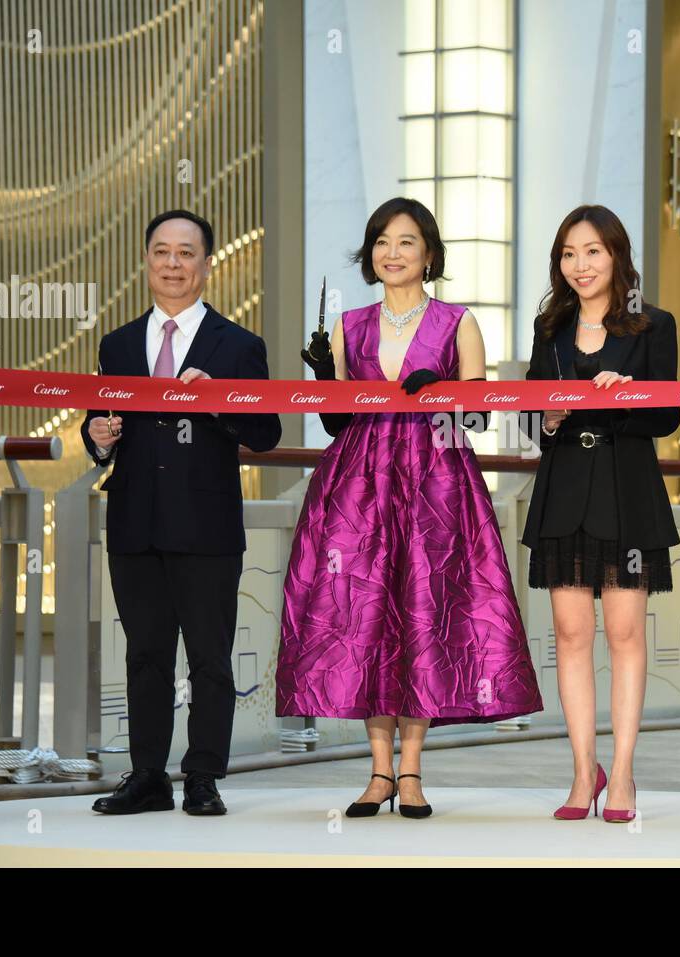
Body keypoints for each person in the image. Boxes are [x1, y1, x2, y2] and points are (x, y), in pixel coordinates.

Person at [277, 197, 542, 819]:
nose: (392, 253)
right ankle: (377, 773)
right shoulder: (351, 325)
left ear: (429, 254)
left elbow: (479, 415)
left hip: (436, 479)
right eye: (381, 242)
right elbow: (337, 420)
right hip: (358, 482)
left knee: (424, 613)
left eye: (406, 242)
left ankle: (414, 771)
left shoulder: (457, 322)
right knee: (366, 616)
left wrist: (446, 394)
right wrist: (322, 376)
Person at [81, 209, 282, 817]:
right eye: (162, 252)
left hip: (207, 526)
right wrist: (99, 436)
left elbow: (267, 432)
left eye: (186, 253)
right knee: (144, 655)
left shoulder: (239, 346)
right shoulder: (116, 344)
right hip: (134, 524)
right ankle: (146, 776)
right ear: (147, 261)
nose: (173, 264)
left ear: (207, 264)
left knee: (209, 657)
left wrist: (217, 401)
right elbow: (95, 431)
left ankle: (203, 776)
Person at [519, 205, 680, 822]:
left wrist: (629, 396)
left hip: (626, 486)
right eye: (568, 253)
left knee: (625, 634)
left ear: (616, 255)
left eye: (592, 251)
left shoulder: (651, 325)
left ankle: (626, 776)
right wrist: (548, 418)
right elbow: (533, 409)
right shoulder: (549, 327)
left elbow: (668, 415)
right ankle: (584, 773)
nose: (580, 265)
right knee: (569, 635)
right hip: (564, 487)